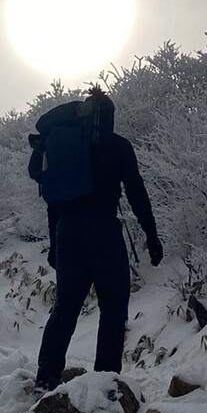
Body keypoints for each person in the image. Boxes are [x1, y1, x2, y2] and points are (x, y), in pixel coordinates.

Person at [33, 87, 163, 392]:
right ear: (109, 117)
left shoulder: (67, 150)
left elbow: (54, 202)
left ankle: (46, 376)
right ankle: (105, 381)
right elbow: (136, 192)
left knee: (66, 306)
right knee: (114, 304)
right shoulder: (118, 146)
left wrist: (55, 243)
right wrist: (151, 235)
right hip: (103, 230)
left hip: (68, 232)